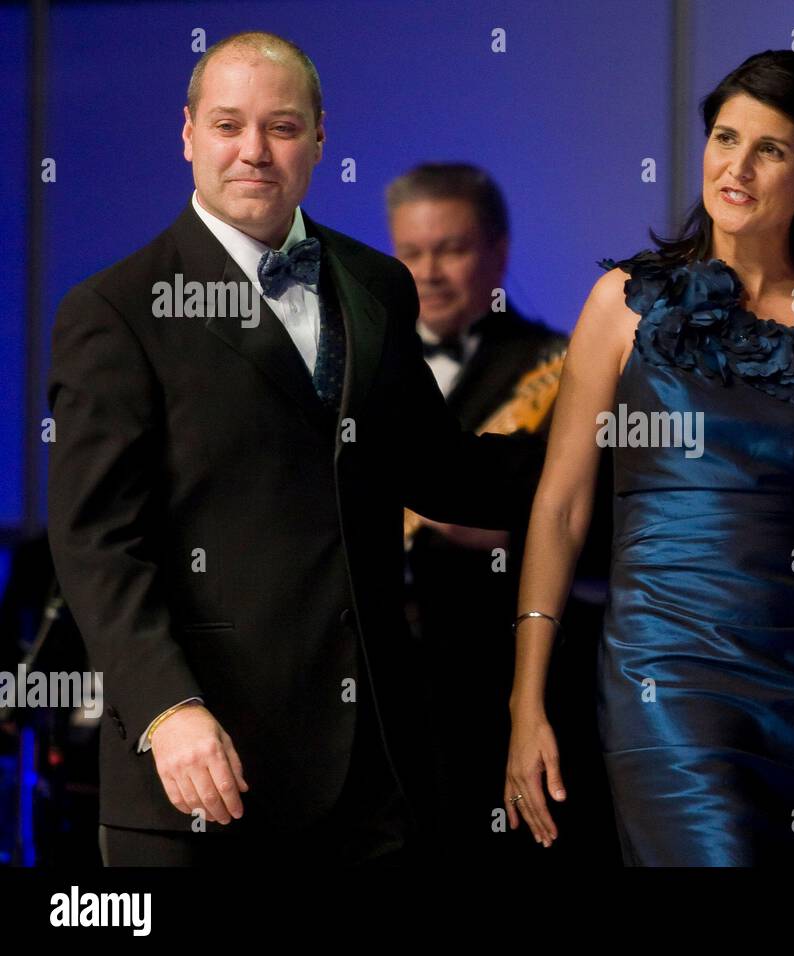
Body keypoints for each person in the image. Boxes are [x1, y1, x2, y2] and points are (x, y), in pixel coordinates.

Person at [45, 31, 541, 866]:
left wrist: (629, 459)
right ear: (189, 135)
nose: (253, 152)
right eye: (228, 125)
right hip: (202, 774)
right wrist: (168, 711)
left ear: (319, 138)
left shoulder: (376, 282)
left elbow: (440, 471)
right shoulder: (116, 309)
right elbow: (97, 544)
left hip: (374, 771)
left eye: (281, 127)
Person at [503, 47, 794, 865]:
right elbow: (562, 506)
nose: (737, 166)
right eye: (725, 137)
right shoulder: (622, 303)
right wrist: (525, 699)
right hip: (667, 671)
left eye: (771, 149)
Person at [385, 163, 619, 865]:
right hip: (379, 697)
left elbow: (603, 532)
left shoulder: (563, 365)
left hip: (500, 692)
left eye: (450, 249)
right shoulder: (365, 368)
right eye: (411, 252)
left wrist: (506, 533)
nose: (428, 272)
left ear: (499, 252)